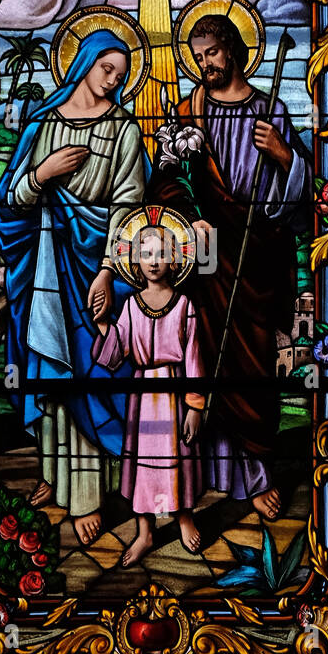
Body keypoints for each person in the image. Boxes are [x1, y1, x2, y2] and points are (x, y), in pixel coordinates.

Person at [146, 11, 311, 520]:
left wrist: (282, 153)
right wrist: (190, 216)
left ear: (235, 51)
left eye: (212, 53)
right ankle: (207, 476)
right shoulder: (188, 109)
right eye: (197, 57)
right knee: (204, 357)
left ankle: (257, 473)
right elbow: (166, 178)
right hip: (208, 255)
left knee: (254, 361)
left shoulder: (271, 110)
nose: (205, 64)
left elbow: (305, 191)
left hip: (258, 253)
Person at [0, 28, 147, 545]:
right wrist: (42, 173)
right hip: (47, 267)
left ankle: (92, 493)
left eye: (121, 75)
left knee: (96, 370)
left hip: (100, 266)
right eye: (107, 68)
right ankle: (59, 475)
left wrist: (107, 270)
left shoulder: (124, 129)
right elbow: (10, 199)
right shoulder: (43, 124)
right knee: (55, 364)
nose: (113, 80)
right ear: (81, 63)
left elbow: (129, 205)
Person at [92, 216, 204, 565]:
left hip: (174, 394)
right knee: (144, 467)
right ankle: (145, 532)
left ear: (175, 259)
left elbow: (194, 359)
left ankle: (184, 516)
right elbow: (117, 352)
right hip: (143, 398)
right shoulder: (130, 306)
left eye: (162, 252)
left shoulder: (185, 306)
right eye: (146, 253)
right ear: (136, 261)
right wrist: (103, 328)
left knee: (179, 460)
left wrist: (195, 407)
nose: (154, 260)